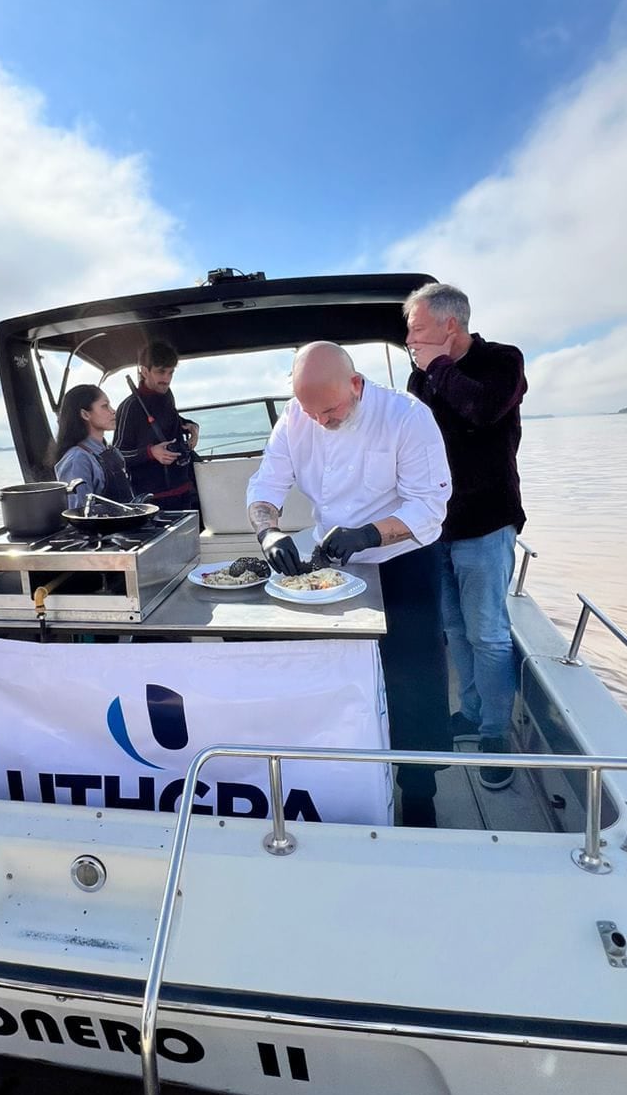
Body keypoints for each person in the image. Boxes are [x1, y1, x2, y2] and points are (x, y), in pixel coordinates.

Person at [246, 342, 452, 827]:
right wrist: (269, 530)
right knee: (337, 676)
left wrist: (369, 533)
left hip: (403, 558)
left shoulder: (407, 417)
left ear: (356, 385)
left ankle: (419, 792)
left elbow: (431, 505)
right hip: (333, 565)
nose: (320, 421)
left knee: (414, 680)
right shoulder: (298, 418)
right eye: (310, 411)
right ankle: (338, 780)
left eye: (330, 410)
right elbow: (266, 485)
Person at [404, 283, 527, 789]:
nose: (409, 339)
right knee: (455, 631)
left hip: (487, 524)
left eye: (415, 329)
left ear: (448, 325)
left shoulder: (503, 361)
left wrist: (436, 367)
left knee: (490, 636)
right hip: (439, 530)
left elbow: (482, 411)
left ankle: (496, 733)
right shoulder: (420, 380)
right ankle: (473, 712)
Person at [112, 339, 201, 512]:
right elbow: (118, 456)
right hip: (153, 501)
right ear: (145, 371)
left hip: (183, 491)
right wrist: (150, 452)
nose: (166, 379)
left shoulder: (167, 395)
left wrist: (193, 427)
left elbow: (173, 420)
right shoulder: (130, 407)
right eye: (161, 372)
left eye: (170, 373)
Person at [52, 384, 135, 511]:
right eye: (104, 406)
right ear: (85, 414)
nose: (113, 411)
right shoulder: (77, 459)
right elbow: (79, 514)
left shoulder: (112, 451)